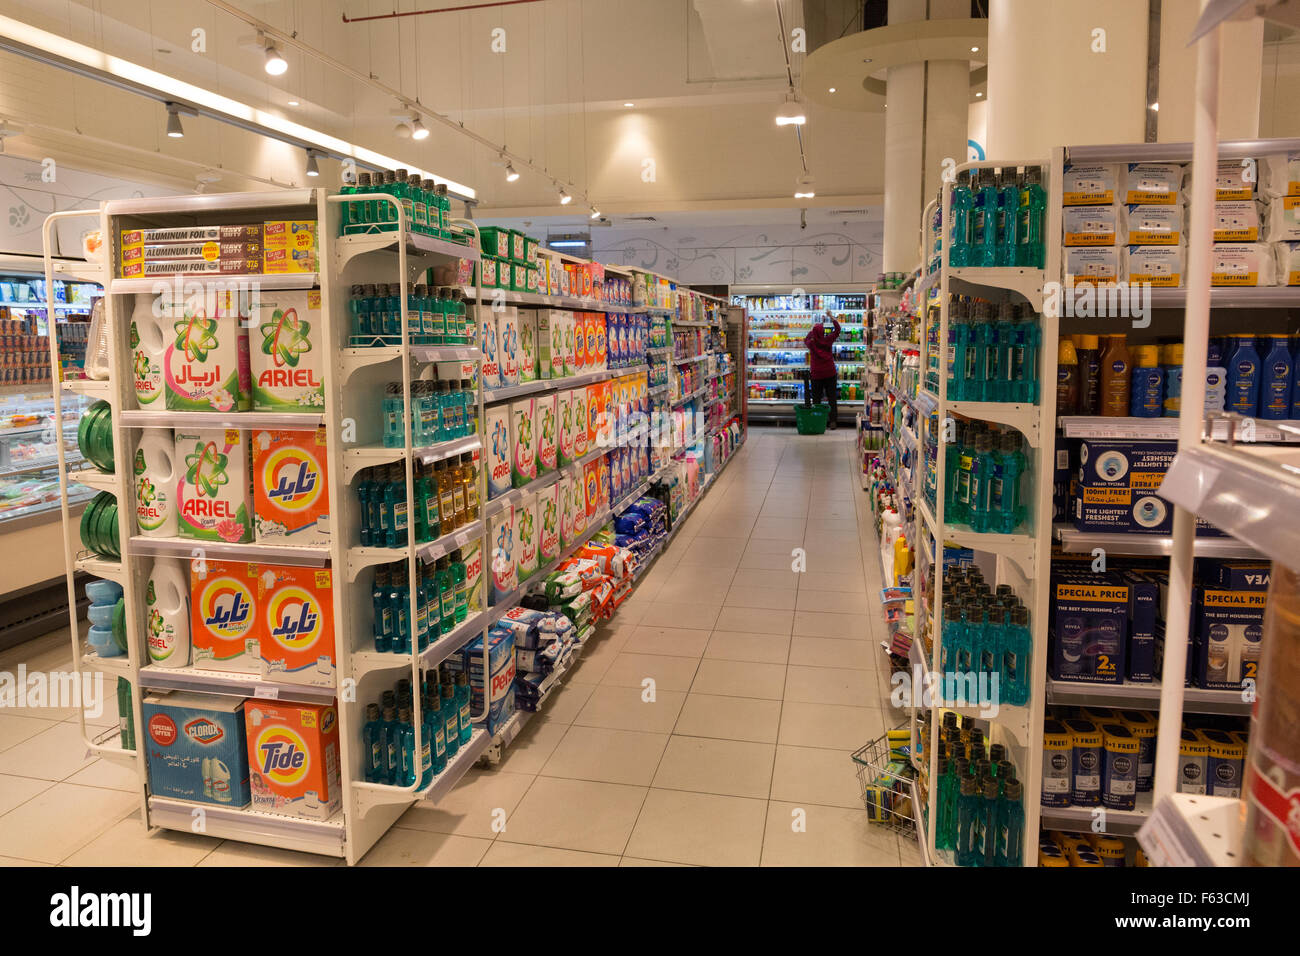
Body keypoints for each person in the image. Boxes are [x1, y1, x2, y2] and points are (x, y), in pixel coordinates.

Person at [804, 310, 841, 429]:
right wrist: (831, 317)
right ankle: (833, 421)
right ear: (823, 332)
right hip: (830, 372)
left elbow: (806, 339)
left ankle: (818, 421)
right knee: (832, 398)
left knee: (816, 399)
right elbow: (838, 330)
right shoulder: (828, 340)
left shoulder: (811, 342)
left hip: (816, 374)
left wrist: (815, 330)